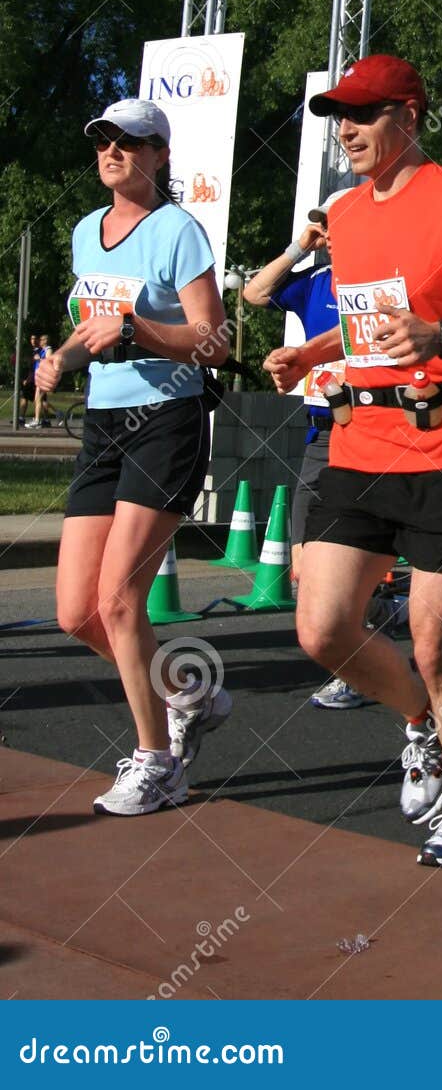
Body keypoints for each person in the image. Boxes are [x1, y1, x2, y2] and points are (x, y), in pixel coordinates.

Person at [263, 55, 442, 867]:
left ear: (410, 116)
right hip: (359, 442)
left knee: (437, 642)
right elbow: (367, 327)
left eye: (362, 114)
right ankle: (419, 722)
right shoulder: (345, 214)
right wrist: (309, 351)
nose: (344, 130)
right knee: (321, 629)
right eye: (336, 117)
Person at [36, 99, 230, 816]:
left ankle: (158, 764)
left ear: (159, 156)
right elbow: (94, 328)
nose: (114, 150)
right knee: (75, 615)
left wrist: (143, 331)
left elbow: (216, 342)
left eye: (132, 141)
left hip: (166, 422)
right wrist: (58, 359)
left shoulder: (179, 230)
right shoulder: (88, 230)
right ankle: (185, 693)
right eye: (104, 140)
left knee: (121, 601)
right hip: (103, 424)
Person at [242, 201, 361, 710]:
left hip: (371, 428)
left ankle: (357, 663)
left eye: (340, 225)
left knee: (354, 554)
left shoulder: (382, 282)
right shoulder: (316, 281)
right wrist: (298, 247)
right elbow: (254, 293)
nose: (331, 234)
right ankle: (358, 645)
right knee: (305, 558)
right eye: (326, 225)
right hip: (319, 432)